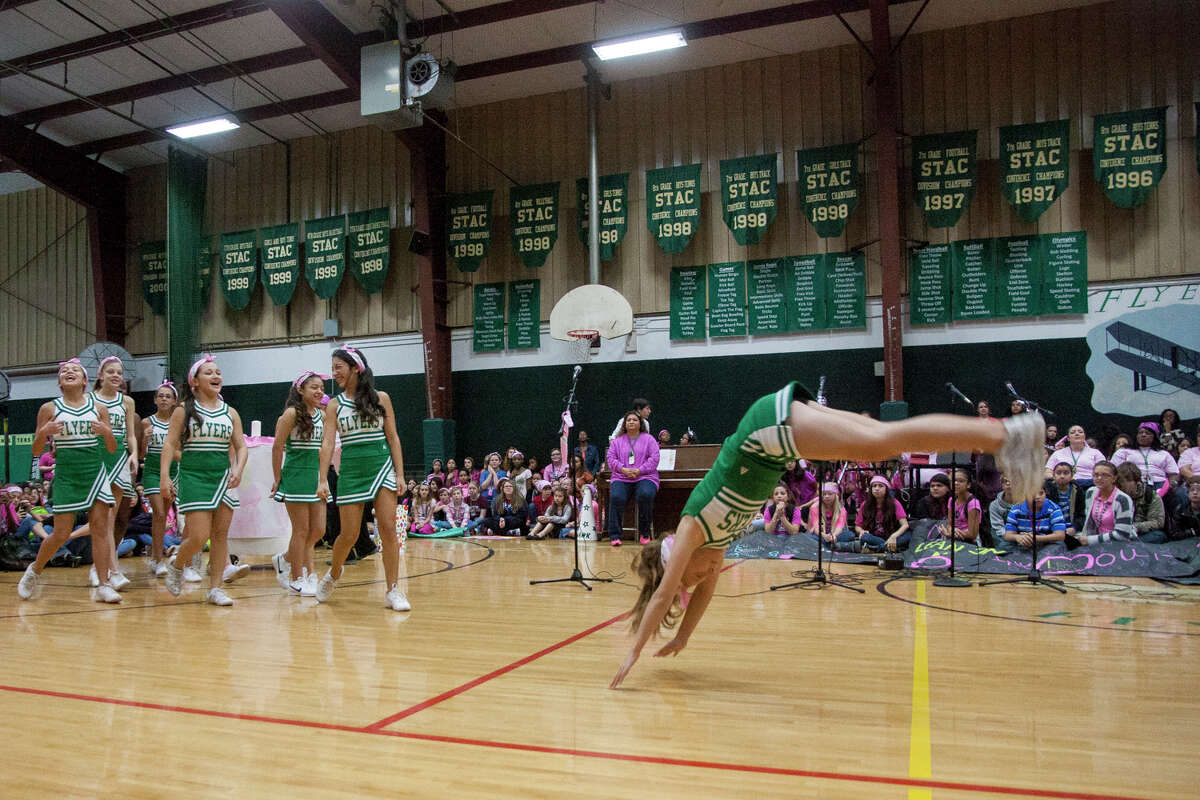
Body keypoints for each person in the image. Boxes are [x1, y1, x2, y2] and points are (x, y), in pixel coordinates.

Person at [611, 381, 1046, 688]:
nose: (704, 578)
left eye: (692, 575)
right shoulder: (713, 546)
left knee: (881, 442)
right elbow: (698, 592)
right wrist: (684, 636)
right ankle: (1005, 436)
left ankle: (1005, 434)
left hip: (766, 431)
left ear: (679, 561)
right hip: (773, 431)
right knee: (876, 436)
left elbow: (666, 594)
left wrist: (633, 651)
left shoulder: (692, 528)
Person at [314, 347, 409, 611]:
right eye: (333, 368)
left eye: (338, 367)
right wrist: (323, 479)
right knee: (348, 535)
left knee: (388, 528)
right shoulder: (334, 405)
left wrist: (400, 474)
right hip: (352, 471)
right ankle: (334, 574)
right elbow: (328, 443)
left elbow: (393, 437)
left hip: (381, 467)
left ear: (355, 367)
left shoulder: (382, 398)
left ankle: (393, 590)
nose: (335, 373)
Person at [17, 359, 120, 603]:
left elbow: (112, 448)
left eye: (75, 370)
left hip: (95, 472)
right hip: (66, 474)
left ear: (85, 381)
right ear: (59, 382)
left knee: (100, 529)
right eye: (64, 371)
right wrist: (45, 432)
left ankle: (104, 584)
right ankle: (35, 570)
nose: (69, 372)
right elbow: (36, 448)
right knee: (61, 533)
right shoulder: (49, 409)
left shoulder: (98, 408)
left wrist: (106, 432)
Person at [159, 356, 248, 606]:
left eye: (218, 372)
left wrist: (238, 469)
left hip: (222, 476)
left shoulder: (230, 412)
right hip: (194, 475)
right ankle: (177, 564)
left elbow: (241, 447)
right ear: (195, 381)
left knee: (220, 535)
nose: (216, 376)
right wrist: (165, 476)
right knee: (198, 536)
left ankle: (216, 588)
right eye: (209, 372)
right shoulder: (183, 410)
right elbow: (169, 444)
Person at [270, 370, 329, 596]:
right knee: (301, 530)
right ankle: (298, 576)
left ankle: (285, 559)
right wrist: (277, 478)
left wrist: (323, 477)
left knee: (318, 530)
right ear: (300, 390)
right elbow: (277, 447)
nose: (319, 391)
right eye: (314, 387)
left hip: (316, 476)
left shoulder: (322, 416)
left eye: (321, 387)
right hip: (295, 475)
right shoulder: (291, 414)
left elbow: (325, 448)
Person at [91, 355, 138, 592]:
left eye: (119, 372)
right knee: (101, 519)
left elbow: (130, 434)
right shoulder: (89, 400)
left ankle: (108, 568)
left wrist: (134, 454)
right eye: (111, 371)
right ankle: (110, 569)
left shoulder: (127, 401)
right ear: (100, 376)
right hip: (96, 458)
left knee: (111, 518)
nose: (116, 375)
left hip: (118, 456)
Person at [141, 381, 180, 578]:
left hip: (172, 471)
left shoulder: (178, 423)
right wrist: (145, 440)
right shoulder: (147, 423)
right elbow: (140, 454)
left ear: (174, 401)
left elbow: (181, 454)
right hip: (152, 472)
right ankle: (158, 559)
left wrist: (169, 451)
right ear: (155, 400)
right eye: (161, 395)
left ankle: (157, 557)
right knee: (158, 512)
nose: (164, 398)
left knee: (165, 515)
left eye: (168, 396)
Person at [605, 410, 660, 546]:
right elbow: (611, 459)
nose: (631, 422)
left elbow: (655, 458)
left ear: (640, 423)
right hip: (621, 476)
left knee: (645, 494)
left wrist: (639, 470)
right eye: (628, 420)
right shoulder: (617, 441)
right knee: (616, 497)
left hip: (645, 476)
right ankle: (615, 536)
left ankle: (645, 534)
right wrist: (623, 469)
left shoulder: (649, 439)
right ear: (624, 424)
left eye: (634, 420)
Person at [1111, 422, 1179, 499]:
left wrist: (1170, 486)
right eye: (1140, 432)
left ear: (1154, 437)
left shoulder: (1164, 454)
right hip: (1133, 484)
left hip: (1159, 485)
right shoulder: (1124, 451)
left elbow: (1174, 474)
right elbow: (1113, 470)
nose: (1143, 435)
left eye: (1147, 433)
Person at [1075, 460, 1136, 546]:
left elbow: (1122, 535)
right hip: (1095, 544)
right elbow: (1090, 524)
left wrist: (1090, 540)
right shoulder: (1090, 492)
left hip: (1118, 545)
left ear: (1114, 478)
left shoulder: (1123, 499)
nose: (1099, 478)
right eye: (1096, 475)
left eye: (1105, 475)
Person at [853, 475, 910, 553]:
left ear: (886, 489)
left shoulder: (895, 503)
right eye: (874, 486)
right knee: (864, 537)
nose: (877, 488)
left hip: (892, 535)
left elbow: (905, 525)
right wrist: (861, 531)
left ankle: (875, 548)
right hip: (874, 537)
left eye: (880, 486)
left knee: (909, 535)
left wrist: (893, 536)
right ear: (871, 489)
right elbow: (857, 526)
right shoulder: (865, 504)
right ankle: (889, 548)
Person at [1114, 462, 1167, 543]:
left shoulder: (1150, 495)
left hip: (1139, 532)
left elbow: (1158, 522)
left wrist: (1137, 527)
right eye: (1119, 482)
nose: (1122, 485)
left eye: (1127, 481)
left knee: (1159, 535)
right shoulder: (1113, 494)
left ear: (1136, 481)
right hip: (1116, 530)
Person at [1044, 425, 1105, 490]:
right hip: (1062, 485)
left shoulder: (1095, 452)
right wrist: (1060, 479)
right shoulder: (1058, 453)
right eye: (1073, 432)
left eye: (1080, 432)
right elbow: (1047, 473)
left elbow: (1104, 470)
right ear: (1068, 438)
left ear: (1084, 436)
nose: (1077, 433)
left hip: (1090, 485)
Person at [933, 468, 981, 543]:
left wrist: (951, 533)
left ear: (968, 485)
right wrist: (951, 530)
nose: (956, 483)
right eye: (953, 481)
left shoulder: (973, 503)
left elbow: (973, 534)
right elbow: (949, 523)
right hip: (953, 538)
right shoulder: (951, 500)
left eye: (961, 481)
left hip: (969, 542)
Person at [1043, 462, 1083, 536]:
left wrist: (1075, 528)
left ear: (1072, 476)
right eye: (1058, 473)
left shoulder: (1077, 490)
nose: (1062, 476)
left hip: (1071, 529)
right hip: (1051, 528)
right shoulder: (1046, 490)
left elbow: (1081, 515)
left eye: (1066, 473)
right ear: (1054, 475)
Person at [808, 482, 849, 548]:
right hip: (820, 535)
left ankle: (826, 545)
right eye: (824, 494)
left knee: (849, 535)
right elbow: (816, 527)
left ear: (835, 495)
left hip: (836, 534)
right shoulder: (815, 508)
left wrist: (833, 535)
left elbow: (840, 526)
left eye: (830, 494)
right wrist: (824, 536)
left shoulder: (841, 509)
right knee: (809, 537)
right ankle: (832, 545)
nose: (827, 496)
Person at [988, 475, 1017, 550]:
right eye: (1005, 481)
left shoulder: (1025, 502)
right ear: (1001, 485)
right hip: (1003, 535)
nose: (1008, 483)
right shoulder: (994, 505)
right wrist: (1014, 537)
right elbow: (998, 528)